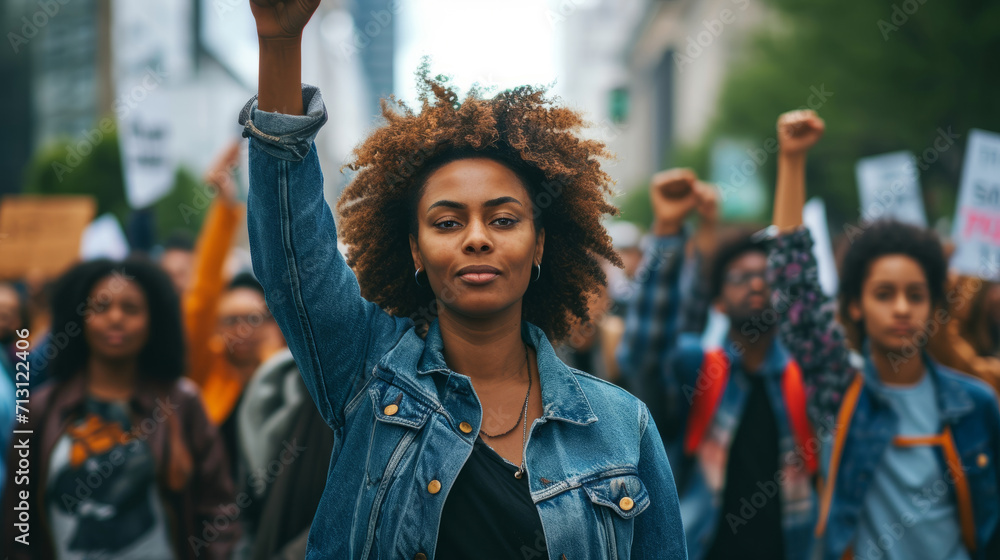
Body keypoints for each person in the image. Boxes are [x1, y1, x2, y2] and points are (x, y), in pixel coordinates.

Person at [240, 1, 687, 558]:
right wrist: (280, 46)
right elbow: (292, 256)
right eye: (448, 222)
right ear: (416, 251)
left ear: (540, 243)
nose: (477, 238)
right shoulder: (367, 371)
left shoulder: (623, 427)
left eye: (503, 219)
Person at [766, 109, 1000, 560]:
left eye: (915, 295)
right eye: (884, 293)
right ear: (854, 304)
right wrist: (791, 162)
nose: (901, 308)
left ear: (933, 305)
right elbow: (795, 289)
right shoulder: (839, 392)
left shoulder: (977, 404)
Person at [617, 168, 820, 560]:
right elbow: (645, 350)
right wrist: (667, 229)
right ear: (719, 301)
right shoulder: (699, 370)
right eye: (741, 277)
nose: (757, 284)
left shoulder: (807, 376)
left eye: (766, 276)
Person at [2, 259, 241, 559]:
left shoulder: (182, 402)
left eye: (131, 309)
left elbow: (217, 507)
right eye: (101, 307)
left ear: (153, 319)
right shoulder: (39, 409)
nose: (116, 318)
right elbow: (17, 518)